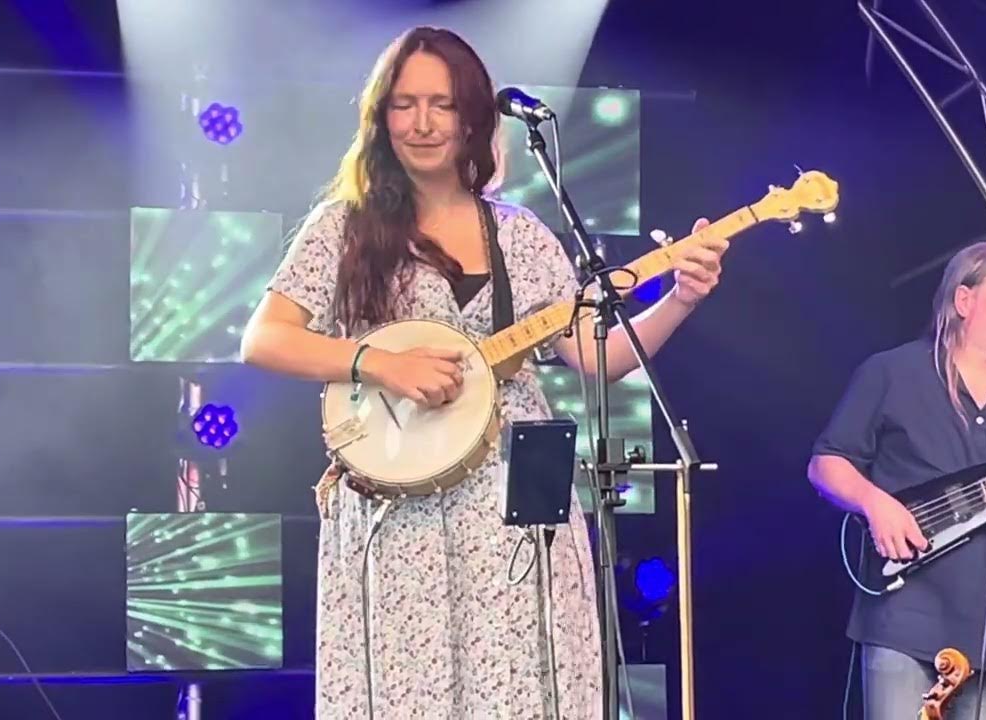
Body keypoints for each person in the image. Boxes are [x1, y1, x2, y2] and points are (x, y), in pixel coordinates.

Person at [240, 26, 728, 719]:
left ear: (473, 117)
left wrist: (679, 296)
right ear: (380, 118)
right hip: (396, 506)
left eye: (441, 104)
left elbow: (599, 357)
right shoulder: (342, 228)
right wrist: (380, 362)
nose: (422, 123)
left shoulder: (523, 234)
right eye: (403, 104)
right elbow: (264, 340)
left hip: (515, 509)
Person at [806, 241, 986, 720]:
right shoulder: (892, 372)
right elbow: (825, 463)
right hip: (904, 620)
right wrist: (877, 504)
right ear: (964, 301)